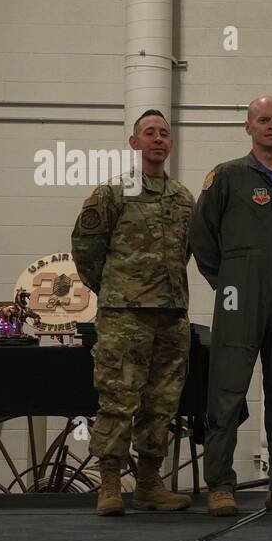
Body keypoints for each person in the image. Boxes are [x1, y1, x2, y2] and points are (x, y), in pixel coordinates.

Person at [189, 96, 272, 517]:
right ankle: (221, 484)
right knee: (225, 392)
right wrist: (226, 283)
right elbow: (201, 236)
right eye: (264, 120)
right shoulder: (227, 177)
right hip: (238, 300)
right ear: (248, 127)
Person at [72, 109, 195, 517]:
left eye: (163, 133)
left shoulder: (183, 198)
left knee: (162, 402)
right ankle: (108, 485)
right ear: (134, 142)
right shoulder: (112, 193)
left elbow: (186, 252)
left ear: (170, 143)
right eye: (149, 133)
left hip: (171, 315)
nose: (157, 139)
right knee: (118, 399)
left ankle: (148, 484)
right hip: (124, 315)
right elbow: (86, 250)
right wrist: (113, 292)